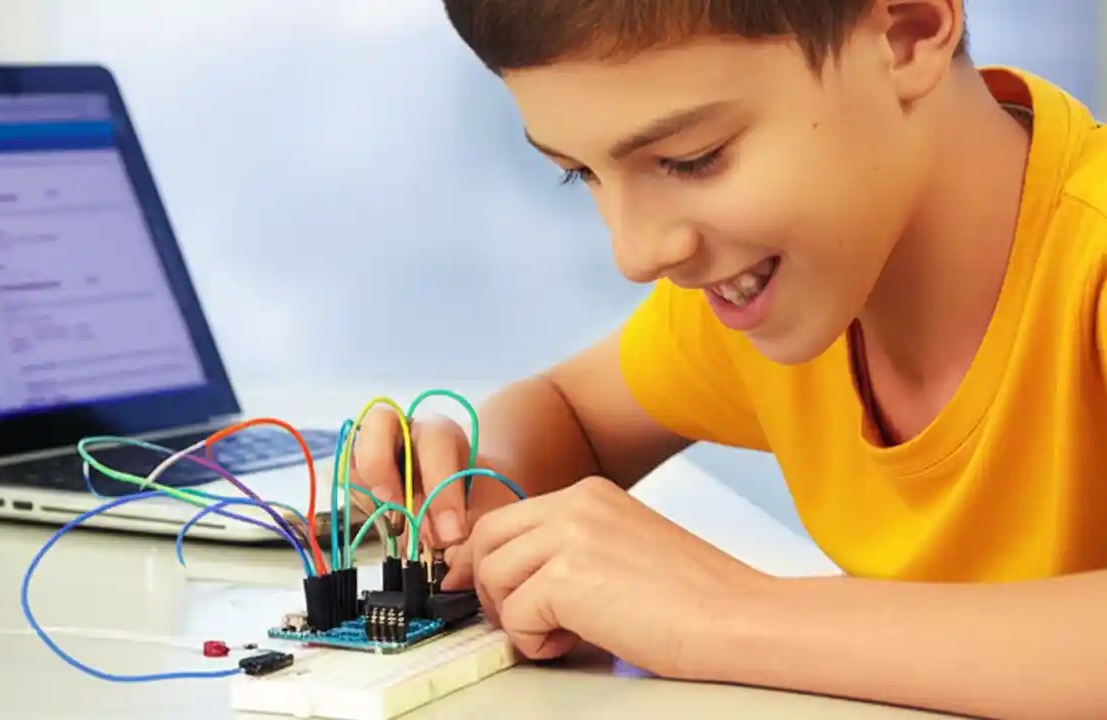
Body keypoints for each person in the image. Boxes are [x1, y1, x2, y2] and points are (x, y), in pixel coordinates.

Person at [348, 2, 1107, 717]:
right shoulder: (786, 286)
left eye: (691, 158)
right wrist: (474, 490)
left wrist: (721, 614)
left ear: (907, 32)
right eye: (580, 173)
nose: (636, 253)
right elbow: (569, 411)